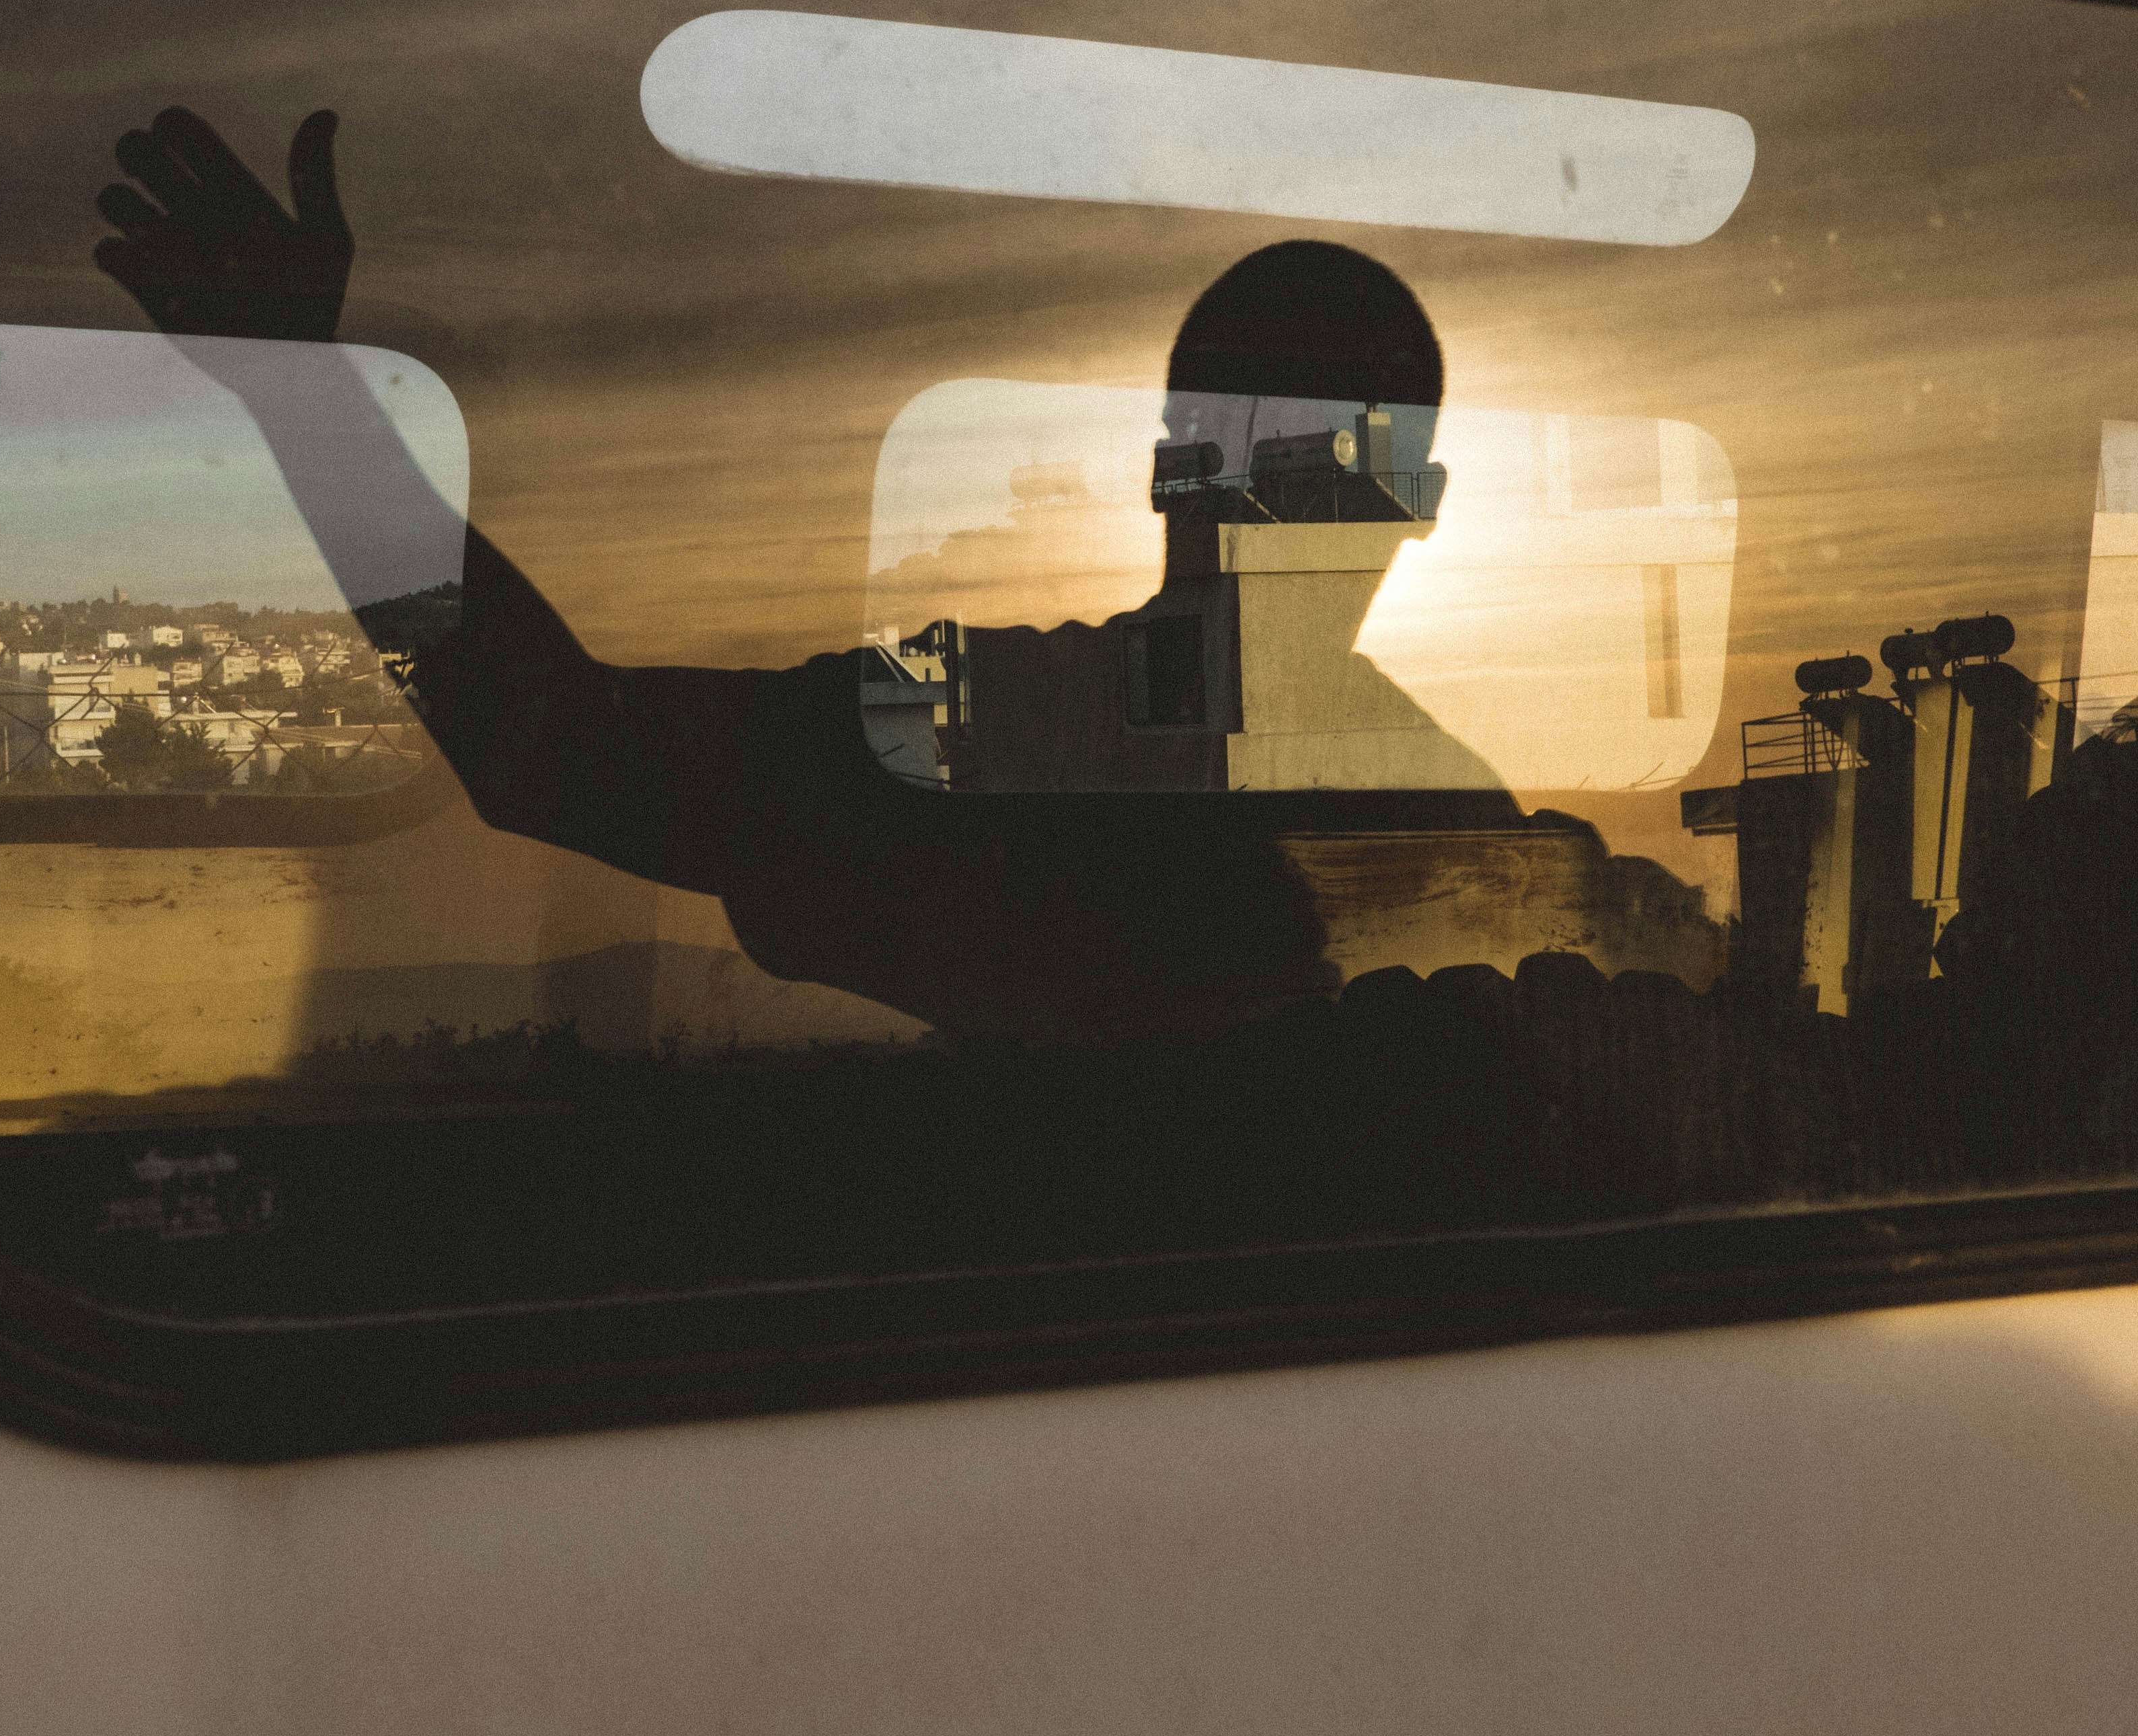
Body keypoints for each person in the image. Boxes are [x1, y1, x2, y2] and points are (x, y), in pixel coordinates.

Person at [93, 106, 1524, 1045]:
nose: (1296, 505)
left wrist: (304, 398)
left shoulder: (1011, 728)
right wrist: (309, 405)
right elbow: (561, 749)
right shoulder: (996, 729)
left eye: (1335, 461)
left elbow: (556, 748)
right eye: (1272, 447)